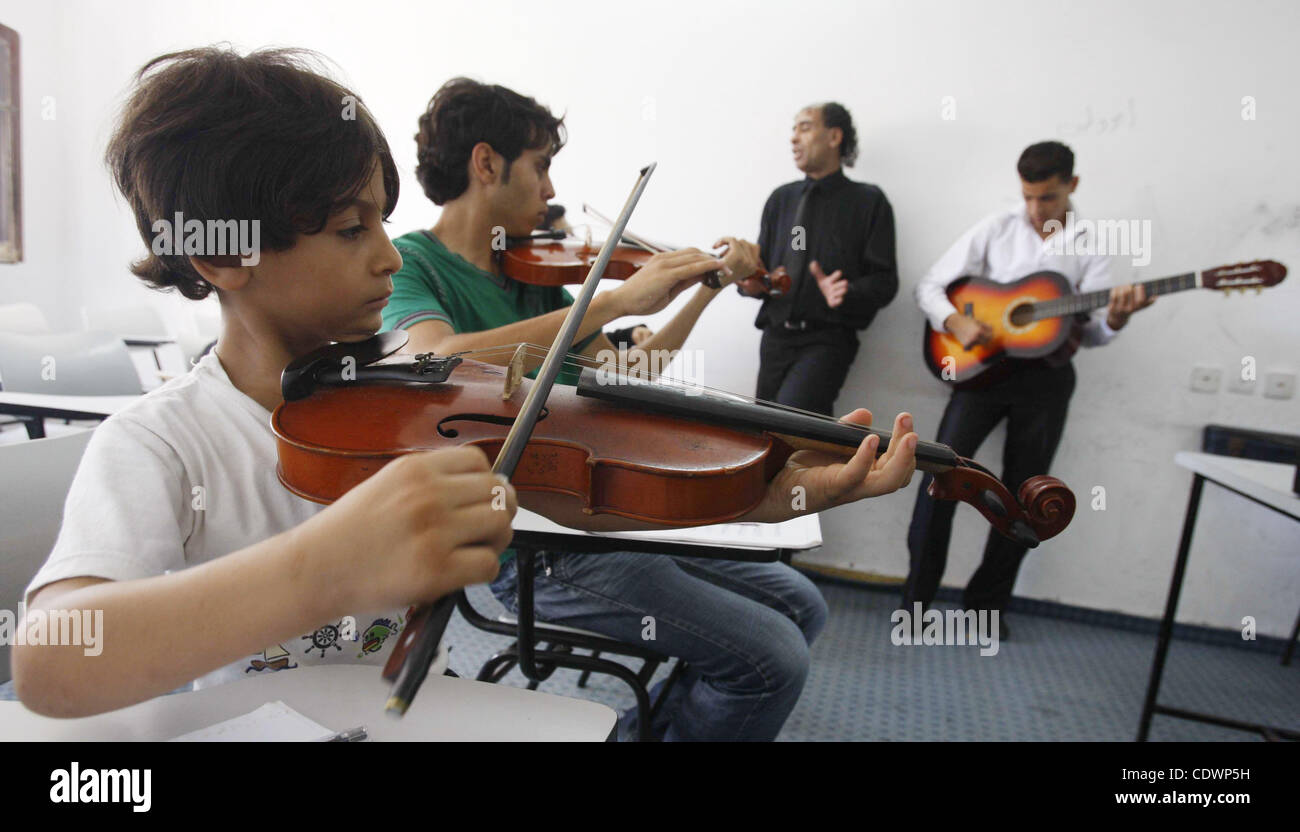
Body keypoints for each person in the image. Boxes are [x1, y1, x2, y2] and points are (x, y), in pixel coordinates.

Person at [383, 77, 921, 740]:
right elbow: (432, 362)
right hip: (531, 546)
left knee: (801, 604)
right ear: (487, 164)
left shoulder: (529, 277)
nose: (552, 191)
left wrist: (703, 292)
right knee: (773, 659)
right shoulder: (413, 263)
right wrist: (610, 301)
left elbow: (627, 370)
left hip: (602, 504)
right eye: (541, 166)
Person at [11, 47, 517, 717]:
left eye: (382, 223)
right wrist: (323, 568)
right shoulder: (164, 442)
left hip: (418, 717)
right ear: (223, 253)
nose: (390, 256)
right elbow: (51, 658)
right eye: (349, 229)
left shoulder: (403, 401)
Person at [902, 141, 1154, 635]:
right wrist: (956, 320)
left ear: (1072, 186)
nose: (1037, 210)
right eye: (1029, 197)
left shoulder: (1092, 244)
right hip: (982, 373)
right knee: (941, 476)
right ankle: (915, 601)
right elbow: (929, 285)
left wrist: (1118, 317)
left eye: (1049, 198)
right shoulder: (996, 227)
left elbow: (1095, 331)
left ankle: (985, 611)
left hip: (1046, 380)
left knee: (1029, 496)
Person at [754, 103, 899, 415]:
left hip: (826, 340)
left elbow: (886, 282)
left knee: (790, 425)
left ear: (834, 136)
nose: (794, 138)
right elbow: (761, 269)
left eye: (804, 127)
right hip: (774, 337)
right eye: (793, 129)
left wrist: (847, 291)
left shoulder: (869, 201)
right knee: (761, 430)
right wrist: (750, 281)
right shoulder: (781, 199)